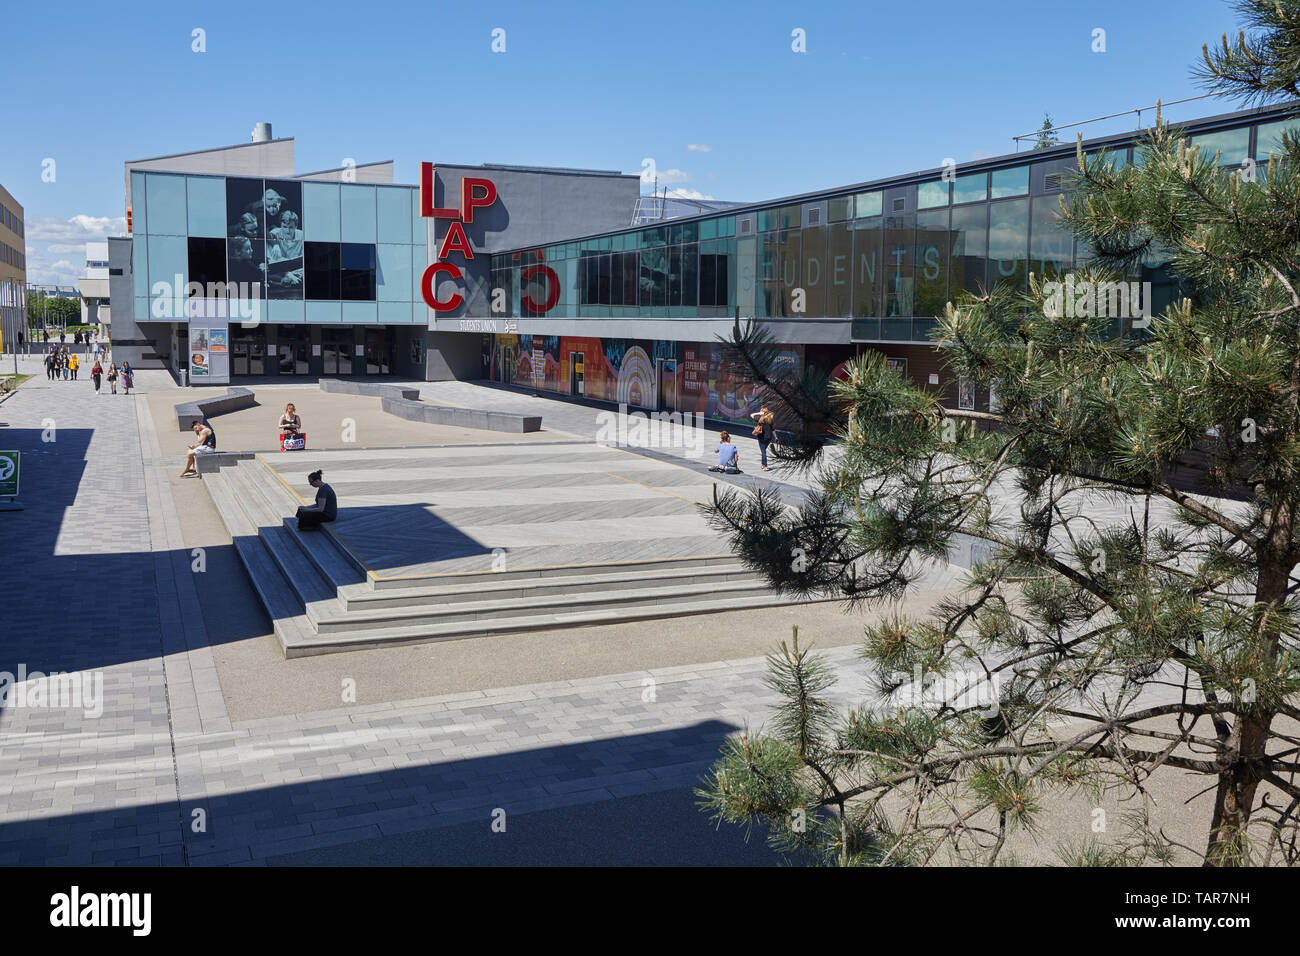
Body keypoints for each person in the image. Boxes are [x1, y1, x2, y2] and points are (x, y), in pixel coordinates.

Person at [750, 405, 776, 472]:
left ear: (762, 412)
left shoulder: (760, 419)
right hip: (769, 438)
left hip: (761, 437)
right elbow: (773, 430)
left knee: (763, 451)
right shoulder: (770, 419)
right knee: (763, 450)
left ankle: (765, 466)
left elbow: (751, 415)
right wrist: (776, 437)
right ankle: (763, 464)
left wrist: (758, 413)